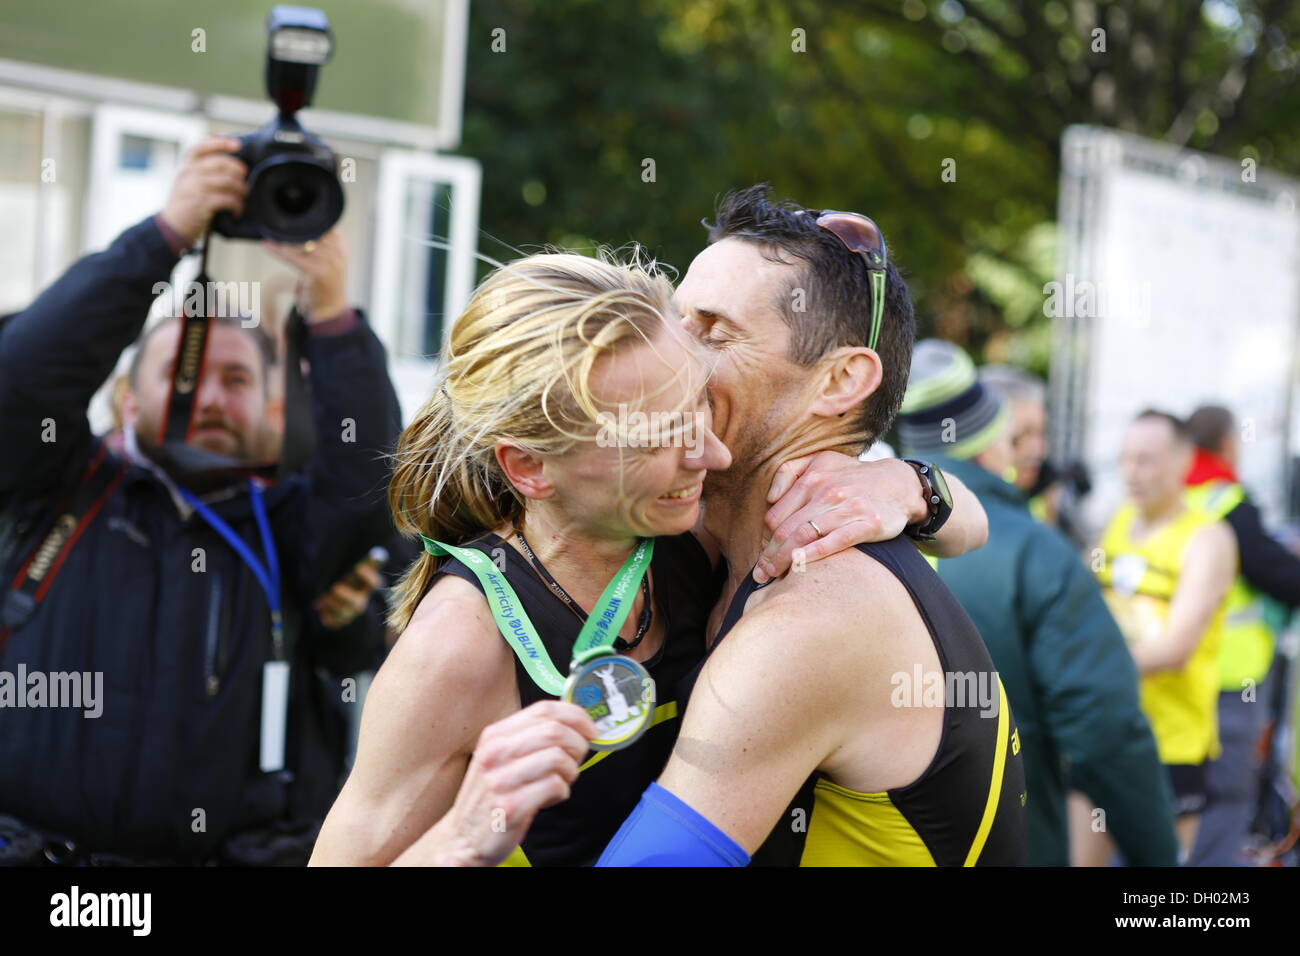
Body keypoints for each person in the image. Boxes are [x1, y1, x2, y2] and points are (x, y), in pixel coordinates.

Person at [309, 246, 991, 867]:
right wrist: (462, 839)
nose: (712, 452)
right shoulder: (459, 644)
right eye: (662, 435)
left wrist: (917, 486)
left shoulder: (686, 536)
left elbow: (965, 530)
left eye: (695, 409)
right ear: (531, 469)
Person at [0, 136, 400, 865]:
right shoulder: (49, 484)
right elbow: (21, 382)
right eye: (182, 371)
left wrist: (334, 313)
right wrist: (163, 238)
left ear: (278, 412)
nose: (208, 396)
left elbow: (369, 478)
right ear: (123, 397)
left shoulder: (290, 528)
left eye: (238, 379)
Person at [897, 340, 1178, 866]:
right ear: (990, 444)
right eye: (1016, 435)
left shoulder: (846, 538)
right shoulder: (1035, 552)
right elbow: (1106, 732)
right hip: (1011, 843)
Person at [1077, 410, 1237, 864]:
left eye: (1145, 460)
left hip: (1171, 743)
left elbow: (1175, 649)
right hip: (1104, 730)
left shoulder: (1208, 538)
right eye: (1125, 459)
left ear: (1183, 461)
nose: (1130, 472)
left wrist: (1083, 669)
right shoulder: (1118, 522)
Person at [1184, 404, 1300, 866]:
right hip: (1228, 681)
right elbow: (1281, 576)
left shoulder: (1163, 498)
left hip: (1167, 679)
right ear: (1229, 445)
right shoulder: (1225, 502)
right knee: (1226, 799)